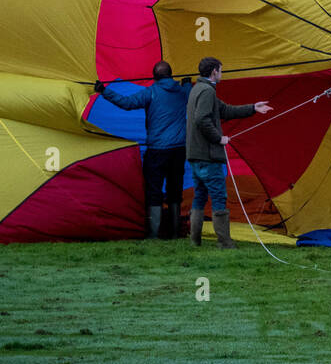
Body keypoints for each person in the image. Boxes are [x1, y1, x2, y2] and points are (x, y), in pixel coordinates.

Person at [94, 62, 192, 240]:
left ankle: (153, 235)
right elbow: (190, 93)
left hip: (157, 150)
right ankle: (176, 232)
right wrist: (186, 83)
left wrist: (103, 90)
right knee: (175, 190)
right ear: (171, 75)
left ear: (154, 77)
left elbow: (127, 103)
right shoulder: (182, 92)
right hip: (179, 150)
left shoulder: (151, 92)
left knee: (154, 190)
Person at [185, 56, 272, 248]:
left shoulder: (197, 90)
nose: (222, 74)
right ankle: (224, 242)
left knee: (199, 196)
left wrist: (253, 108)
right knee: (218, 197)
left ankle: (194, 240)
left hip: (195, 154)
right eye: (221, 70)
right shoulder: (207, 91)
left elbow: (225, 110)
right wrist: (219, 138)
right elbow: (202, 119)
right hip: (208, 155)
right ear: (214, 71)